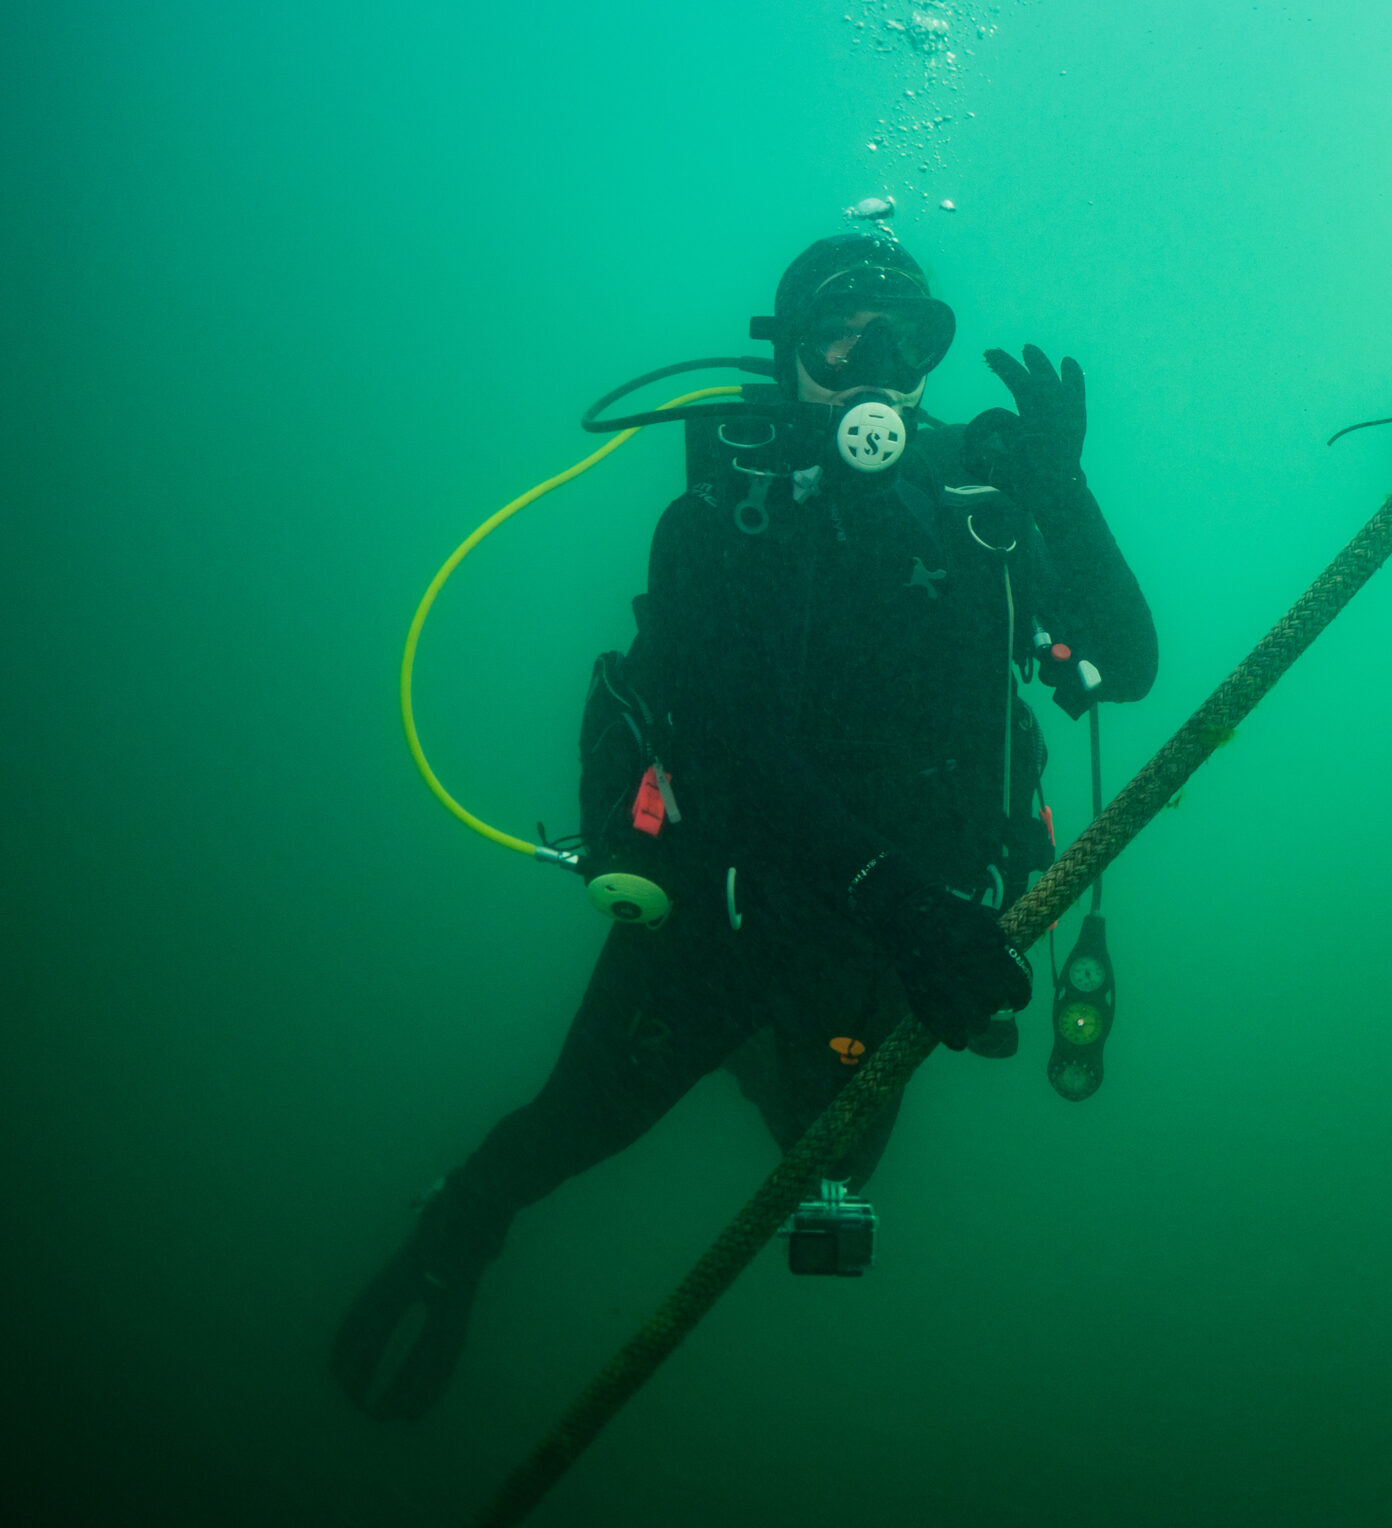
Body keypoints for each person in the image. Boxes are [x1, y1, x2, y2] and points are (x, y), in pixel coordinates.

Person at [332, 225, 1157, 1418]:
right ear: (786, 356)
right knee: (571, 1126)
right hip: (723, 926)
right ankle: (451, 1237)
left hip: (903, 945)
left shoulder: (981, 509)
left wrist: (1064, 499)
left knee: (833, 1160)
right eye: (841, 338)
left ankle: (766, 1078)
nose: (875, 371)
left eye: (908, 341)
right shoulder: (722, 520)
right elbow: (732, 752)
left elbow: (1123, 667)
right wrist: (904, 910)